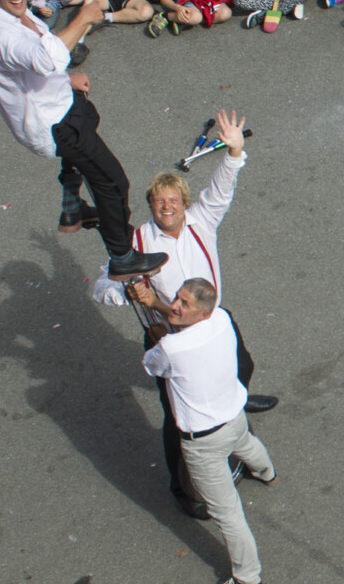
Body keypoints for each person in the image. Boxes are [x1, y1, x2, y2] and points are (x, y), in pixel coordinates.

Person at [93, 112, 276, 520]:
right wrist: (122, 292)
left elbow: (222, 188)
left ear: (184, 203)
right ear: (150, 206)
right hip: (170, 336)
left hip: (213, 321)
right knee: (179, 418)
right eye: (159, 202)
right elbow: (102, 285)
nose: (167, 207)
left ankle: (233, 409)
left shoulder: (201, 220)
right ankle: (184, 490)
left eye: (173, 200)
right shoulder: (136, 242)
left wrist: (234, 150)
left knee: (242, 367)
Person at [0, 0, 166, 281]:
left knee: (89, 114)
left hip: (62, 105)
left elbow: (40, 62)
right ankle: (122, 256)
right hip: (54, 125)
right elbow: (46, 58)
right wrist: (85, 17)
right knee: (113, 183)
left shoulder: (18, 14)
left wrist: (66, 79)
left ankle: (72, 206)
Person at [131, 275, 274, 584]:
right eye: (177, 298)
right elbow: (188, 330)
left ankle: (248, 578)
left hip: (203, 442)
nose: (175, 306)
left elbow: (152, 366)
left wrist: (157, 339)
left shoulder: (170, 348)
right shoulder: (221, 318)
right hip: (234, 418)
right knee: (247, 446)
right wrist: (160, 310)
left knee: (228, 514)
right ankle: (267, 473)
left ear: (203, 312)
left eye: (184, 303)